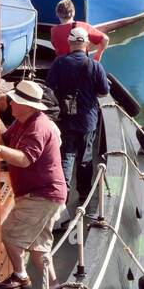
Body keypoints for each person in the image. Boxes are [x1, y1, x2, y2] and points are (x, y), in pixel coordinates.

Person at [0, 78, 67, 289]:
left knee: (8, 233)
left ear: (26, 106)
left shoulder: (38, 127)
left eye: (14, 101)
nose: (10, 104)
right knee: (40, 246)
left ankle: (20, 276)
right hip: (44, 195)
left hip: (41, 196)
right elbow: (5, 138)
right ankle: (53, 288)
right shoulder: (23, 120)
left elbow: (25, 159)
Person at [46, 26, 111, 201]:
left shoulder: (59, 62)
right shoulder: (95, 66)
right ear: (87, 44)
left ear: (69, 43)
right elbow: (104, 92)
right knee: (85, 157)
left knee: (66, 156)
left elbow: (48, 90)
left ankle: (64, 194)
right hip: (88, 120)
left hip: (65, 119)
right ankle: (84, 193)